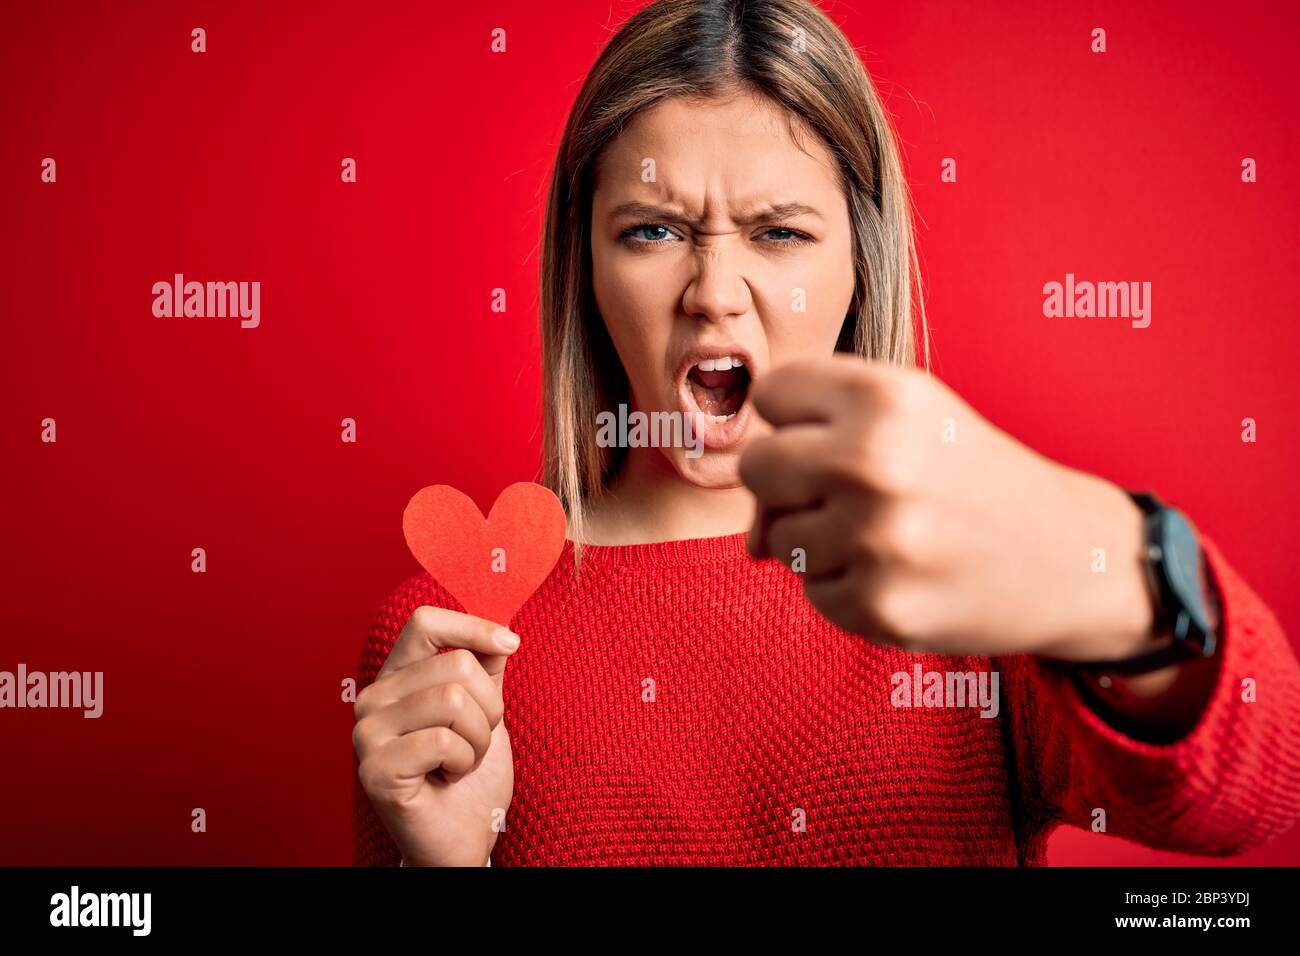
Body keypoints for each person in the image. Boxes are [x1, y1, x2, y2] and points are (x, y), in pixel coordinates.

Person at [351, 0, 1300, 866]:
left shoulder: (971, 576)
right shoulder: (454, 633)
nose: (714, 294)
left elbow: (1258, 802)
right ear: (585, 266)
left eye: (780, 233)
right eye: (650, 231)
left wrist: (1109, 567)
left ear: (861, 267)